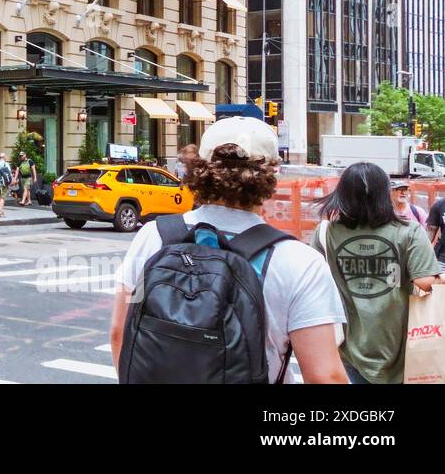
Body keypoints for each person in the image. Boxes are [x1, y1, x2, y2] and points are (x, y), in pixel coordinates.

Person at [110, 116, 348, 383]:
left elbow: (121, 332)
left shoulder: (153, 236)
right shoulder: (300, 261)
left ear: (199, 171)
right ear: (272, 178)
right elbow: (325, 375)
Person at [313, 163, 443, 383]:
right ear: (384, 194)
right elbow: (424, 281)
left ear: (342, 193)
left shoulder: (326, 232)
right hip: (400, 346)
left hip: (347, 347)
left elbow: (314, 282)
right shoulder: (408, 231)